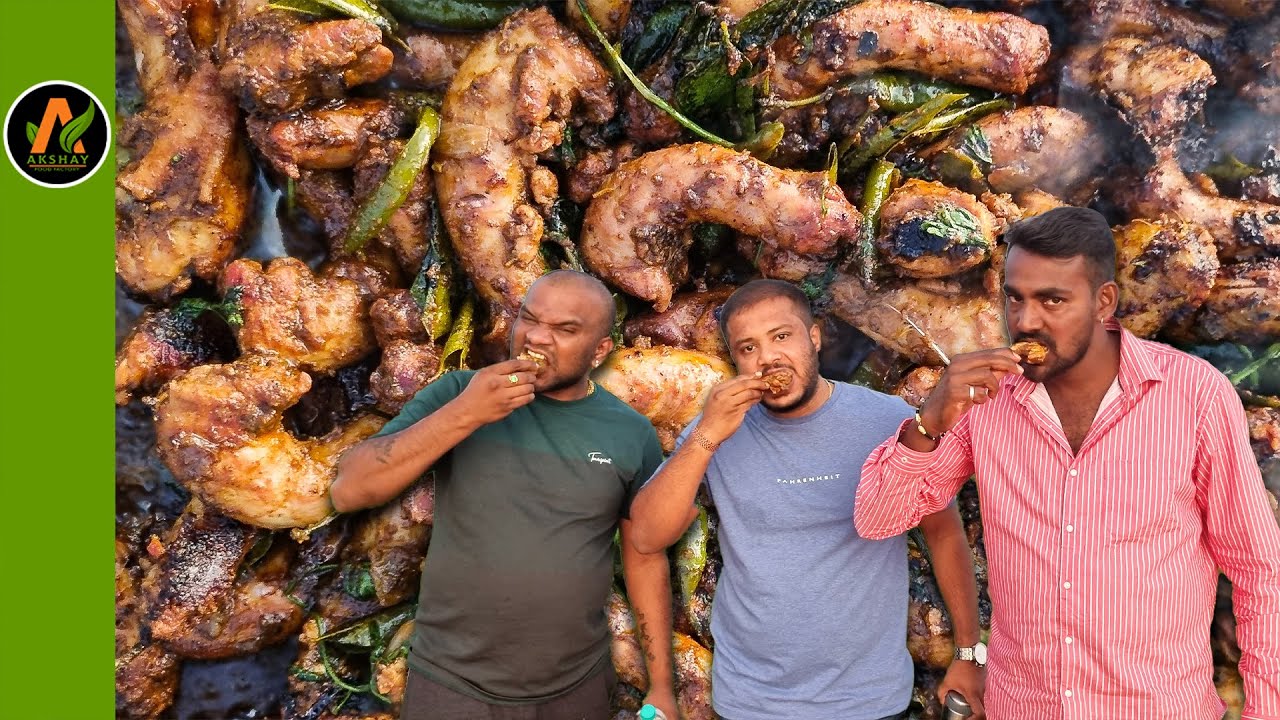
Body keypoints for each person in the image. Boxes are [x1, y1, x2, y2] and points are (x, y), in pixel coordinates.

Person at [855, 207, 1280, 719]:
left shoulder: (1195, 395)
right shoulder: (985, 401)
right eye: (1015, 299)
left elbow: (1259, 569)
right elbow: (877, 518)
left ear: (1104, 302)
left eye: (1052, 300)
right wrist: (929, 423)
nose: (1026, 321)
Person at [628, 279, 988, 720]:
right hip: (750, 701)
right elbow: (646, 536)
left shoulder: (887, 419)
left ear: (813, 337)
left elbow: (944, 535)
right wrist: (706, 435)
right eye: (747, 348)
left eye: (781, 337)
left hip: (868, 701)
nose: (768, 359)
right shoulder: (717, 430)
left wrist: (969, 652)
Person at [330, 270, 679, 720]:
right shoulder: (458, 393)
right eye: (529, 319)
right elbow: (350, 489)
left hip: (576, 687)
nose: (537, 338)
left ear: (601, 351)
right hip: (450, 684)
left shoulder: (630, 433)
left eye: (564, 330)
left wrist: (661, 685)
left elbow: (645, 557)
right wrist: (466, 414)